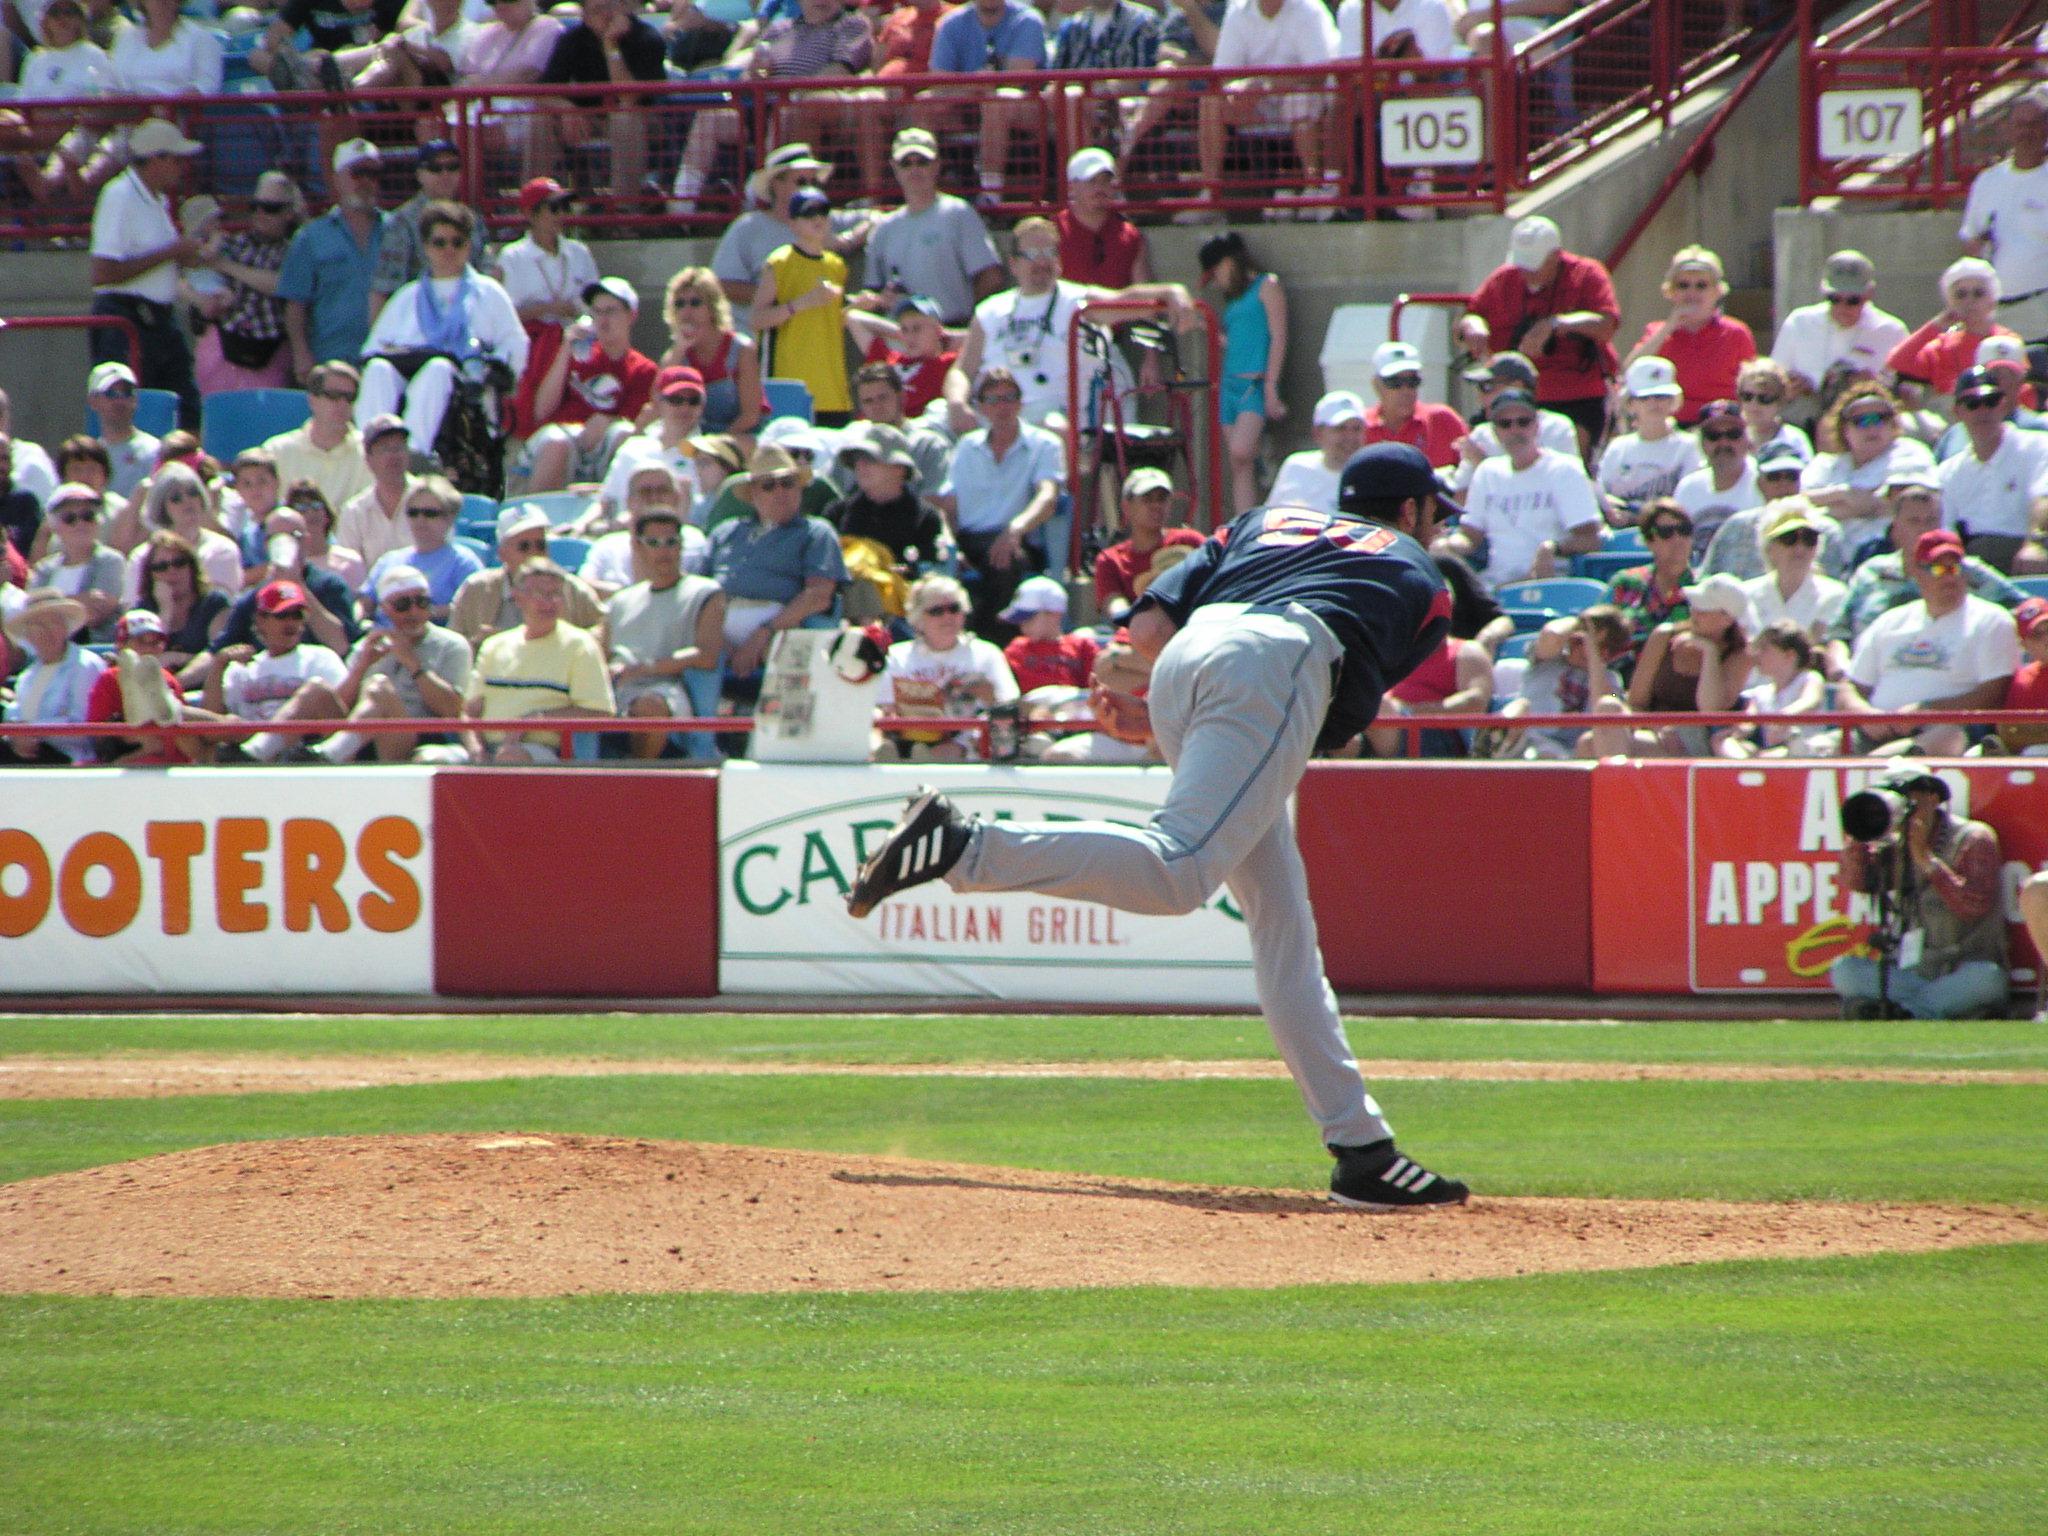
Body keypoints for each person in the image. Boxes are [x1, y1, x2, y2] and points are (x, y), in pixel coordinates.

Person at [845, 441, 1472, 1210]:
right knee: (1178, 873)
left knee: (1282, 923)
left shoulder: (1267, 519)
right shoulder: (1419, 570)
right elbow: (1344, 715)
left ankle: (1361, 1149)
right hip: (1279, 660)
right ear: (1411, 510)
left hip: (1191, 656)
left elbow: (1146, 628)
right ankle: (966, 847)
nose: (1435, 524)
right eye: (1434, 511)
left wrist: (1172, 715)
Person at [944, 218, 1195, 434]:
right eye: (1031, 254)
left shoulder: (1080, 302)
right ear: (1013, 264)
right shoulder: (990, 311)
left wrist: (1173, 292)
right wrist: (956, 403)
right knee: (932, 424)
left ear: (1060, 261)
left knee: (1049, 429)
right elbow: (962, 371)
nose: (1041, 261)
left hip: (1054, 418)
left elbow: (1126, 298)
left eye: (1049, 253)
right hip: (993, 415)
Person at [1830, 765, 2012, 1020]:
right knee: (1845, 971)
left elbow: (1973, 907)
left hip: (1965, 967)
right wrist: (1858, 843)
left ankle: (1904, 1011)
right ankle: (1922, 1008)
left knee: (1987, 980)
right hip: (1913, 971)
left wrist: (1926, 859)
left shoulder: (1973, 837)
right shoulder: (1894, 843)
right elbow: (1860, 883)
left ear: (1932, 799)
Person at [358, 201, 529, 461]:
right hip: (407, 373)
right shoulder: (408, 296)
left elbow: (515, 346)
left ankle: (413, 456)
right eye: (440, 243)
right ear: (426, 247)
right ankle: (367, 450)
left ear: (468, 246)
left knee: (437, 370)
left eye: (457, 242)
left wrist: (490, 370)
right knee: (377, 371)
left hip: (463, 383)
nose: (448, 250)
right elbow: (372, 350)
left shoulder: (488, 293)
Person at [1841, 528, 2022, 755]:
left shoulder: (1991, 620)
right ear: (1917, 572)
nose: (1949, 577)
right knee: (1814, 749)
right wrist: (1865, 714)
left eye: (1955, 567)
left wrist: (1929, 710)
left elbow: (1994, 693)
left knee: (1940, 738)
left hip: (1943, 732)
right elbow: (1851, 686)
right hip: (1875, 730)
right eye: (1938, 568)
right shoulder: (1890, 621)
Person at [1828, 479, 2031, 674]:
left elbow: (2026, 612)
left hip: (1947, 672)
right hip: (1872, 676)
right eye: (1914, 521)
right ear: (1895, 528)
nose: (1923, 529)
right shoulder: (1872, 572)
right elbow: (1838, 633)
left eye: (1931, 521)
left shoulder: (1964, 570)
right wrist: (1840, 666)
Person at [1456, 216, 1620, 451]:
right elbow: (1469, 317)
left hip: (1576, 393)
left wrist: (1556, 325)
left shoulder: (1586, 274)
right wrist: (1473, 326)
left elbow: (1607, 323)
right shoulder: (1505, 279)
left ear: (1555, 256)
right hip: (1513, 395)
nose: (1525, 272)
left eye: (1533, 264)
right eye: (1521, 264)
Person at [1173, 0, 1339, 223]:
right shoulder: (1238, 10)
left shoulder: (1309, 9)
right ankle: (1211, 195)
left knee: (1298, 100)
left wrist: (1266, 84)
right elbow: (1224, 73)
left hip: (1309, 100)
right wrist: (1238, 93)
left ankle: (1313, 188)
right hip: (1256, 105)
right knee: (1212, 101)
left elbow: (1318, 73)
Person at [87, 117, 204, 429]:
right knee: (129, 413)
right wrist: (171, 252)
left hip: (157, 321)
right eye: (176, 159)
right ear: (155, 160)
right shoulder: (119, 196)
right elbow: (103, 272)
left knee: (184, 409)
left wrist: (182, 257)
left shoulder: (157, 200)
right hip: (126, 321)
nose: (182, 166)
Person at [933, 366, 1064, 630]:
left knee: (1005, 562)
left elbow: (1047, 497)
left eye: (1008, 398)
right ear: (981, 407)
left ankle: (992, 644)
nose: (1001, 406)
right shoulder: (967, 446)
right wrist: (949, 541)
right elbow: (948, 504)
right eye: (993, 400)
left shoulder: (1044, 444)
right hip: (969, 539)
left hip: (1017, 537)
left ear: (1020, 402)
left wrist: (1015, 529)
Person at [706, 442, 846, 685]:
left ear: (800, 489)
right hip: (719, 630)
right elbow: (698, 594)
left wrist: (764, 634)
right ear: (753, 494)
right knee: (691, 650)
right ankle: (699, 723)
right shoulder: (725, 533)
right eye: (769, 486)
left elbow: (819, 596)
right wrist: (718, 640)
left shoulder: (815, 532)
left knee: (787, 652)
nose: (779, 491)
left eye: (788, 483)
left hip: (784, 629)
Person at [596, 500, 725, 759]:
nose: (663, 550)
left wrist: (644, 668)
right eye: (653, 543)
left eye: (671, 541)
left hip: (667, 687)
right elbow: (601, 650)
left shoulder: (705, 592)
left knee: (650, 706)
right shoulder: (621, 601)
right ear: (638, 546)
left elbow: (706, 655)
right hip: (618, 690)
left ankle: (639, 780)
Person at [1440, 388, 1604, 587]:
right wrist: (1446, 546)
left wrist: (1553, 548)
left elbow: (1592, 539)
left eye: (1523, 422)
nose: (1514, 430)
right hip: (1496, 585)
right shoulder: (1488, 472)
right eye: (1505, 424)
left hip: (1552, 583)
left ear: (1537, 425)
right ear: (1495, 431)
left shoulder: (1564, 469)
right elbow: (1470, 536)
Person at [461, 556, 616, 762]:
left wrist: (535, 721)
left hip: (545, 752)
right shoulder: (494, 645)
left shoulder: (580, 645)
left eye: (556, 594)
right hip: (487, 750)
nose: (549, 602)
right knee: (431, 759)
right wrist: (475, 749)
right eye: (539, 594)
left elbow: (600, 713)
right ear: (517, 597)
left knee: (510, 757)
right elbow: (469, 712)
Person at [313, 564, 473, 762]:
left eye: (422, 602)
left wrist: (411, 662)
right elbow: (340, 707)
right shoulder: (368, 647)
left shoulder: (451, 645)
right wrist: (361, 667)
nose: (413, 611)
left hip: (421, 738)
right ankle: (262, 753)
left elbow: (452, 711)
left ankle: (329, 754)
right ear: (385, 608)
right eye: (403, 604)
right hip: (362, 738)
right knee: (316, 689)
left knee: (379, 688)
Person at [857, 127, 1006, 328]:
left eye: (922, 161)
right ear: (894, 167)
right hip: (903, 341)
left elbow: (991, 278)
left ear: (937, 165)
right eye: (906, 163)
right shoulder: (884, 228)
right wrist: (880, 300)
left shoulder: (958, 213)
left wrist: (970, 330)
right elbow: (871, 295)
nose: (914, 169)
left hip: (952, 332)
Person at [521, 276, 657, 492]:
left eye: (611, 311)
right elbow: (542, 411)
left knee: (622, 434)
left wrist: (608, 421)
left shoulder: (643, 369)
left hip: (604, 448)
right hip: (563, 441)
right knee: (556, 442)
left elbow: (636, 427)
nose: (602, 320)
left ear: (631, 316)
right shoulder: (575, 354)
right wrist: (565, 348)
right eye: (597, 311)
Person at [278, 139, 390, 386]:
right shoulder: (310, 237)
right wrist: (300, 353)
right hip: (330, 359)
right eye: (357, 173)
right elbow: (295, 304)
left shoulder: (398, 231)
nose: (365, 182)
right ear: (337, 178)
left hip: (387, 361)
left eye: (372, 174)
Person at [874, 571, 1021, 760]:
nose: (947, 617)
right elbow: (883, 707)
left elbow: (1008, 706)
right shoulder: (896, 656)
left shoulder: (987, 653)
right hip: (908, 741)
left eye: (954, 608)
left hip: (971, 748)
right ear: (918, 618)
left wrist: (962, 745)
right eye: (936, 611)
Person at [201, 578, 351, 762]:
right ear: (260, 619)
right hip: (249, 752)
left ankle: (255, 752)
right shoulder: (241, 668)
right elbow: (211, 728)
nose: (291, 623)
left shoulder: (320, 657)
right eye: (282, 615)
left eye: (297, 615)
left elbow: (342, 711)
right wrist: (218, 666)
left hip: (308, 755)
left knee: (316, 690)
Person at [529, 0, 666, 203]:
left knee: (624, 118)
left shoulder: (647, 37)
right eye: (597, 10)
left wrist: (610, 44)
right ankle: (537, 206)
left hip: (643, 122)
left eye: (611, 6)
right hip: (587, 120)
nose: (606, 15)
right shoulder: (572, 39)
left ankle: (624, 211)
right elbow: (542, 92)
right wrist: (568, 109)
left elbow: (627, 97)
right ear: (584, 15)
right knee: (541, 121)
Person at [920, 0, 1047, 212]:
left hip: (1024, 108)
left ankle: (990, 195)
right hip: (966, 106)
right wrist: (977, 85)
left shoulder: (1027, 19)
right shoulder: (951, 23)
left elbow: (1016, 78)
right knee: (922, 105)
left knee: (997, 101)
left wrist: (971, 86)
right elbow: (939, 84)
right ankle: (922, 193)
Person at [1614, 572, 1754, 756]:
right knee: (1595, 732)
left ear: (1727, 619)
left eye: (1704, 609)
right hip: (1654, 731)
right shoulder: (1664, 636)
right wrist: (1657, 727)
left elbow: (1711, 711)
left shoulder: (1740, 655)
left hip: (1700, 740)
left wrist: (1709, 652)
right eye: (1694, 605)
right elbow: (1637, 702)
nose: (1694, 612)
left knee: (1627, 745)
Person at [1197, 231, 1287, 515]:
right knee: (1238, 465)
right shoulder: (1234, 300)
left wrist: (1271, 387)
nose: (1217, 281)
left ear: (1228, 263)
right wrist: (1203, 326)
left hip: (1254, 386)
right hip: (1229, 385)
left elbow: (1279, 335)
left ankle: (1264, 457)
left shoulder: (1267, 285)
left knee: (1241, 450)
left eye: (1216, 273)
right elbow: (1234, 341)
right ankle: (1243, 525)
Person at [189, 169, 302, 394]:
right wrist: (199, 299)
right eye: (255, 206)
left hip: (270, 353)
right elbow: (185, 273)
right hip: (223, 347)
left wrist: (225, 265)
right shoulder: (231, 243)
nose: (259, 213)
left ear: (288, 212)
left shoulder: (296, 250)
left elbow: (281, 284)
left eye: (270, 208)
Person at [1621, 245, 1756, 426]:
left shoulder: (1736, 333)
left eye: (1701, 285)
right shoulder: (1658, 332)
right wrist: (1670, 326)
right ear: (1671, 292)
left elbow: (1751, 387)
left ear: (1717, 292)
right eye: (1683, 285)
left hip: (1720, 426)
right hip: (1670, 426)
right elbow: (1630, 372)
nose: (1692, 293)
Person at [751, 187, 854, 425]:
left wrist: (857, 307)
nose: (817, 219)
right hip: (790, 386)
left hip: (832, 388)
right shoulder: (780, 262)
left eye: (823, 212)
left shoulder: (836, 266)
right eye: (808, 214)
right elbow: (757, 319)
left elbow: (831, 322)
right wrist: (801, 304)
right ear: (793, 224)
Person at [1799, 381, 1937, 556]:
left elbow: (1892, 506)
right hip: (1830, 551)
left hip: (1887, 551)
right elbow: (1798, 503)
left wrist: (1827, 507)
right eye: (1861, 421)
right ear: (1844, 429)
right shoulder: (1825, 464)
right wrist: (1845, 493)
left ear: (1893, 423)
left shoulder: (1910, 452)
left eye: (1881, 418)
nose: (1872, 426)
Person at [1933, 363, 2048, 573]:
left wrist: (2035, 544)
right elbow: (1945, 531)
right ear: (1957, 411)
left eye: (1991, 401)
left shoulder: (2039, 447)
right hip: (1970, 563)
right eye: (1972, 403)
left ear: (2003, 405)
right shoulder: (1948, 472)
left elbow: (2044, 500)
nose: (1983, 410)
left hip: (2027, 552)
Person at [1959, 83, 2048, 344]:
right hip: (1995, 317)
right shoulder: (1988, 181)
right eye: (2020, 124)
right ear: (2007, 129)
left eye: (2035, 124)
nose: (2026, 132)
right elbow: (1971, 241)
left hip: (2041, 312)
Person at [1482, 605, 1630, 760]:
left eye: (1587, 644)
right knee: (1519, 707)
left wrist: (1593, 654)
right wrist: (1580, 622)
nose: (1579, 647)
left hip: (1572, 751)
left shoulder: (1610, 680)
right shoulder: (1546, 659)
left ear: (1606, 653)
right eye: (1577, 640)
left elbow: (1605, 705)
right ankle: (1489, 746)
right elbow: (1552, 634)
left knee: (1550, 754)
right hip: (1525, 740)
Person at [1769, 249, 1909, 412]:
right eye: (1834, 299)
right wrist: (1791, 388)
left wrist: (1876, 386)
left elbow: (1911, 397)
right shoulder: (1799, 322)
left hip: (1865, 419)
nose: (1843, 307)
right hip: (1806, 419)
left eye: (1853, 300)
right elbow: (1772, 381)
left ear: (1869, 294)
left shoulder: (1892, 330)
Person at [213, 504, 360, 657]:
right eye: (276, 538)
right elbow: (220, 650)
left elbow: (342, 646)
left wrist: (298, 586)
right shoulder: (255, 598)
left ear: (306, 541)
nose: (284, 543)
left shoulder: (330, 586)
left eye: (293, 536)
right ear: (266, 544)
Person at [449, 502, 604, 645]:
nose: (534, 553)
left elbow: (603, 630)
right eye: (524, 547)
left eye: (540, 545)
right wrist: (479, 644)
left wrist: (564, 644)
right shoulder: (476, 589)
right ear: (502, 553)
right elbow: (454, 645)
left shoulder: (573, 589)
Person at [370, 140, 485, 322]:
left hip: (468, 318)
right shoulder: (403, 221)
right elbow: (383, 290)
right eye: (435, 168)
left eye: (452, 167)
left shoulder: (471, 218)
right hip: (418, 322)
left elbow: (486, 272)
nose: (445, 174)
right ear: (419, 174)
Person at [1886, 257, 2018, 403]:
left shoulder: (2008, 341)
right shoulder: (1942, 345)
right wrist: (1935, 325)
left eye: (1978, 293)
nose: (1969, 300)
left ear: (1993, 300)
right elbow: (1896, 362)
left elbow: (2023, 391)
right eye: (1961, 295)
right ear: (1950, 302)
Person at [1448, 351, 1579, 491]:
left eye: (1487, 387)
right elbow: (1460, 493)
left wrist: (1482, 463)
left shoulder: (1557, 428)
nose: (1480, 398)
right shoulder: (1481, 434)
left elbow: (1560, 486)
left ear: (1517, 387)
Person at [657, 266, 764, 438]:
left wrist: (716, 447)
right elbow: (657, 401)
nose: (686, 311)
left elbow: (751, 416)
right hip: (695, 438)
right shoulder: (677, 354)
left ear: (712, 307)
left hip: (741, 435)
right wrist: (679, 349)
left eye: (695, 302)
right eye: (679, 304)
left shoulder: (742, 349)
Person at [1, 588, 106, 762]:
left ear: (66, 627)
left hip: (69, 761)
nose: (46, 631)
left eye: (54, 623)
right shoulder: (27, 676)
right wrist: (15, 737)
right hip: (25, 759)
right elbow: (14, 716)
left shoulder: (85, 665)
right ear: (27, 634)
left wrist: (31, 733)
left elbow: (83, 727)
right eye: (38, 625)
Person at [1595, 356, 1703, 520]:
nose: (1653, 403)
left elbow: (1690, 501)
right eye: (1645, 398)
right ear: (1631, 403)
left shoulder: (1690, 446)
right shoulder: (1618, 447)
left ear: (1673, 400)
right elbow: (1602, 494)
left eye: (1660, 396)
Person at [496, 177, 598, 347]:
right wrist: (547, 309)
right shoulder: (512, 257)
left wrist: (575, 309)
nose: (561, 215)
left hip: (577, 341)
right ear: (529, 213)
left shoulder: (579, 252)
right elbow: (504, 314)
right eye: (553, 208)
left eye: (565, 207)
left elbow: (595, 301)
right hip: (531, 344)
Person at [826, 422, 945, 568]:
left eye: (870, 458)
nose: (861, 464)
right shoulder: (837, 514)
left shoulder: (924, 518)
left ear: (899, 469)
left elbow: (928, 572)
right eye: (857, 457)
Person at [1094, 466, 1205, 621]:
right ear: (1127, 506)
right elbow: (1114, 604)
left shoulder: (1190, 541)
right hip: (1136, 634)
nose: (1156, 505)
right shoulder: (1110, 560)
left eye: (1162, 498)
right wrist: (1136, 621)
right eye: (1147, 499)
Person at [121, 461, 241, 604]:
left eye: (193, 493)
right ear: (162, 509)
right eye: (176, 499)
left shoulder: (222, 549)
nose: (187, 501)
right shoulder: (142, 556)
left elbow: (223, 606)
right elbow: (132, 606)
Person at [364, 474, 482, 618]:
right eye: (413, 513)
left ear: (450, 517)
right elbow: (366, 602)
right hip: (381, 636)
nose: (420, 520)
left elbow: (474, 607)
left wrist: (420, 615)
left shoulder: (463, 562)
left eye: (430, 513)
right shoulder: (389, 560)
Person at [1712, 619, 1830, 759]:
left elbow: (1810, 701)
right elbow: (1748, 723)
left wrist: (1784, 718)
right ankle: (1748, 768)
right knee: (1725, 743)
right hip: (1772, 752)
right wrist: (1734, 733)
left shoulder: (1810, 678)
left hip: (1805, 749)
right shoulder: (1760, 693)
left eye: (1764, 649)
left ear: (1789, 655)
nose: (1757, 655)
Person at [264, 362, 373, 513]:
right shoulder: (277, 451)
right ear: (312, 400)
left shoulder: (370, 452)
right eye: (333, 396)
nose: (342, 403)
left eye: (350, 397)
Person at [30, 481, 124, 643]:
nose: (80, 524)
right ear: (55, 527)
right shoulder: (43, 569)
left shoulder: (111, 561)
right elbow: (32, 616)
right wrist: (81, 602)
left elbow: (95, 615)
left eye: (88, 516)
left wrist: (49, 605)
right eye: (69, 518)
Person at [1741, 498, 1847, 642]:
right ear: (1769, 549)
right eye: (1789, 539)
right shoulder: (1746, 595)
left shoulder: (1834, 595)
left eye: (1809, 539)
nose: (1800, 548)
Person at [135, 529, 231, 687]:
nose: (171, 571)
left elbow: (220, 656)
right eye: (161, 567)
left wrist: (177, 659)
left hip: (202, 689)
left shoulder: (214, 603)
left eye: (179, 563)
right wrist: (165, 612)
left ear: (191, 567)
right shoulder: (144, 609)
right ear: (150, 574)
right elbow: (141, 661)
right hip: (153, 691)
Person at [845, 302, 959, 434]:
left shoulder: (947, 363)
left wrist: (945, 337)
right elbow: (853, 318)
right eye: (904, 329)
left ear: (938, 330)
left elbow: (982, 335)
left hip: (913, 433)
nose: (910, 336)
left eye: (917, 329)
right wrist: (899, 334)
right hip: (868, 431)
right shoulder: (888, 358)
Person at [1055, 147, 1154, 288]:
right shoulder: (1053, 232)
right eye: (1091, 181)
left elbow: (1143, 296)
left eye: (1105, 181)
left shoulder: (1130, 235)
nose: (1099, 188)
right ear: (1072, 186)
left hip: (1117, 309)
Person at [1673, 400, 1763, 554]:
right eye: (1713, 436)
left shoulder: (1763, 483)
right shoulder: (1688, 488)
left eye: (1733, 434)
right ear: (1701, 443)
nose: (1724, 443)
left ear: (1748, 440)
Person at [1605, 498, 1694, 649]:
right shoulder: (1626, 582)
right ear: (1649, 541)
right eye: (1666, 533)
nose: (1678, 539)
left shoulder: (1704, 588)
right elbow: (1598, 626)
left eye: (1684, 530)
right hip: (1625, 664)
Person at [1362, 340, 1463, 470]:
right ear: (1377, 385)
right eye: (1394, 382)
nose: (1406, 391)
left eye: (1412, 381)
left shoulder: (1443, 420)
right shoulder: (1358, 427)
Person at [335, 413, 416, 574]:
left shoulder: (430, 502)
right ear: (368, 459)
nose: (394, 456)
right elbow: (349, 571)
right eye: (385, 449)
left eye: (399, 447)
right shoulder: (354, 512)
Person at [1266, 391, 1366, 513]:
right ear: (1318, 433)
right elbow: (1269, 518)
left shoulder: (1371, 476)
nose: (1350, 437)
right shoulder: (1296, 466)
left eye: (1357, 429)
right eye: (1340, 428)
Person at [1001, 574, 1100, 692]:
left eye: (1029, 618)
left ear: (1054, 614)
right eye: (1020, 620)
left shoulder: (1082, 647)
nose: (1023, 625)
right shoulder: (1016, 650)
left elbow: (1097, 688)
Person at [83, 362, 159, 501]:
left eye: (126, 393)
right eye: (111, 393)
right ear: (93, 401)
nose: (119, 400)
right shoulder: (87, 458)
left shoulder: (156, 451)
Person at [1731, 357, 1815, 464]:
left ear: (1780, 402)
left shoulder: (1795, 439)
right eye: (1747, 396)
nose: (1754, 404)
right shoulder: (1728, 437)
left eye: (1764, 398)